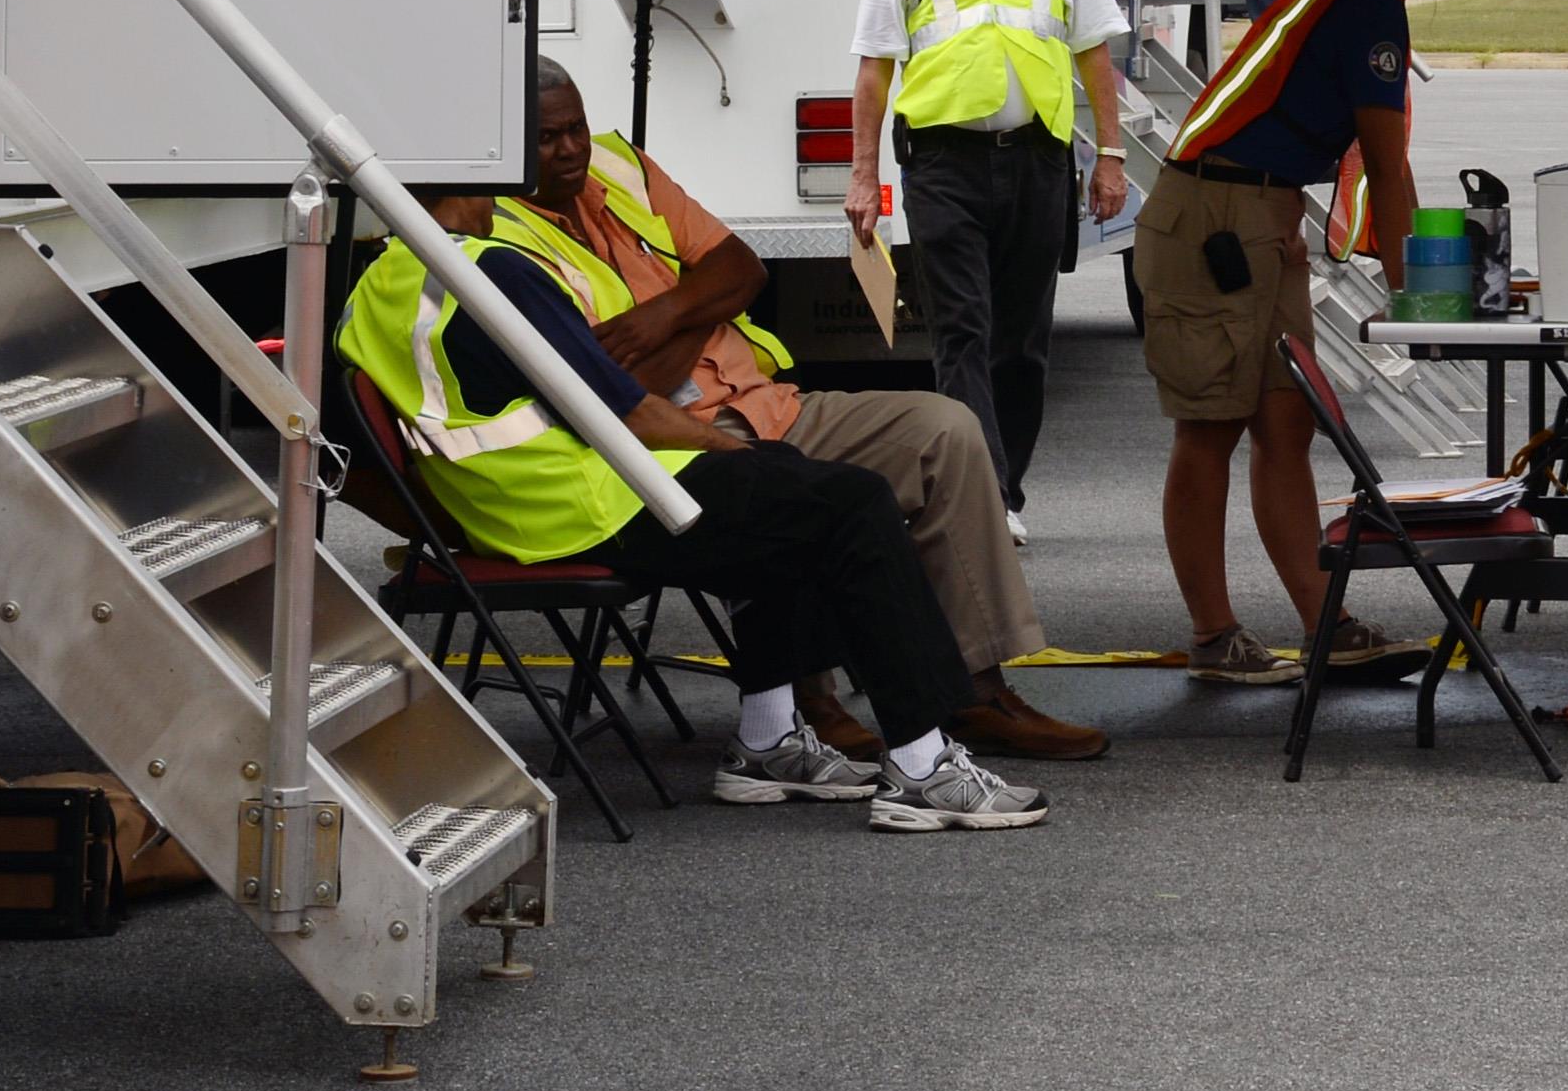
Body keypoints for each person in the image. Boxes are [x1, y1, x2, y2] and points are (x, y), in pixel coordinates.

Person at [339, 153, 1049, 835]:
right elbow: (626, 411)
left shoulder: (371, 292)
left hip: (511, 516)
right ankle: (923, 767)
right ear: (466, 180)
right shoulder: (489, 270)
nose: (499, 196)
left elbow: (360, 460)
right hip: (598, 504)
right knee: (853, 503)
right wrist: (726, 446)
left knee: (784, 486)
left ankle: (768, 743)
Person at [468, 60, 1103, 765]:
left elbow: (743, 269)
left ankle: (976, 691)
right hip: (667, 439)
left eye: (577, 128)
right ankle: (811, 705)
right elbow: (613, 387)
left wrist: (668, 314)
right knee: (793, 488)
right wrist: (698, 309)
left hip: (762, 399)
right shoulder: (501, 242)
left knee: (945, 429)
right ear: (503, 145)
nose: (572, 149)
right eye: (548, 137)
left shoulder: (620, 165)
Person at [1135, 0, 1475, 685]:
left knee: (1286, 423)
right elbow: (1390, 168)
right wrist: (1418, 300)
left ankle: (1328, 622)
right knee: (1210, 425)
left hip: (1258, 211)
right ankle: (1215, 637)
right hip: (1217, 215)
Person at [845, 0, 1132, 531]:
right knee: (963, 331)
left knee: (1024, 343)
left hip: (1037, 160)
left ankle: (1004, 483)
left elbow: (1094, 50)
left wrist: (1113, 156)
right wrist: (863, 176)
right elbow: (874, 69)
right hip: (944, 165)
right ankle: (985, 500)